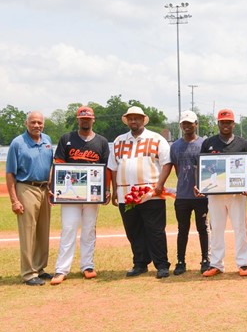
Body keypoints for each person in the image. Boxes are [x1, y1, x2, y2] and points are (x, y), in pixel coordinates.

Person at [108, 106, 172, 278]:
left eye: (137, 118)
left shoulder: (156, 139)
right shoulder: (119, 141)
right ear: (127, 121)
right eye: (130, 118)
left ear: (144, 120)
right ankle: (140, 263)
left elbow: (167, 163)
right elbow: (113, 167)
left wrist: (160, 185)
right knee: (133, 230)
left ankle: (162, 264)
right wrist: (114, 190)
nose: (133, 121)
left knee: (155, 230)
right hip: (125, 194)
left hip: (151, 192)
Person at [50, 106, 110, 285]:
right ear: (78, 119)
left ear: (93, 119)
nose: (85, 121)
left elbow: (106, 169)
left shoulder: (101, 141)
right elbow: (58, 163)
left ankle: (87, 266)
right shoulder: (67, 139)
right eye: (82, 118)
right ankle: (62, 269)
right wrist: (53, 186)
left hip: (92, 193)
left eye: (88, 118)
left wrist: (106, 189)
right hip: (70, 192)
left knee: (89, 229)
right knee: (69, 228)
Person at [200, 109, 247, 277]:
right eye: (222, 122)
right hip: (215, 193)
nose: (225, 125)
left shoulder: (242, 143)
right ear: (218, 123)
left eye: (228, 122)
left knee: (239, 227)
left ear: (233, 124)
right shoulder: (209, 143)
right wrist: (200, 185)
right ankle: (216, 264)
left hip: (236, 193)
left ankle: (243, 263)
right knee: (216, 228)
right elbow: (202, 167)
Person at [5, 111, 54, 286]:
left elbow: (50, 166)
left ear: (43, 124)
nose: (36, 126)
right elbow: (10, 173)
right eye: (33, 122)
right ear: (26, 123)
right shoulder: (17, 143)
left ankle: (40, 268)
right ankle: (28, 273)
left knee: (43, 231)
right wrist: (14, 200)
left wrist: (50, 186)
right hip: (26, 187)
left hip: (44, 188)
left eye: (39, 123)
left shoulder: (47, 140)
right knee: (28, 232)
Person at [162, 111, 210, 275]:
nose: (187, 126)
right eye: (184, 123)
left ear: (196, 124)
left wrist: (202, 186)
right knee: (182, 229)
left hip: (201, 195)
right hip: (182, 195)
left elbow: (209, 169)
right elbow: (176, 168)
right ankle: (180, 261)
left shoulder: (204, 144)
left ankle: (205, 260)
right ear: (181, 125)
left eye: (190, 123)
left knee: (202, 228)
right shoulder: (175, 146)